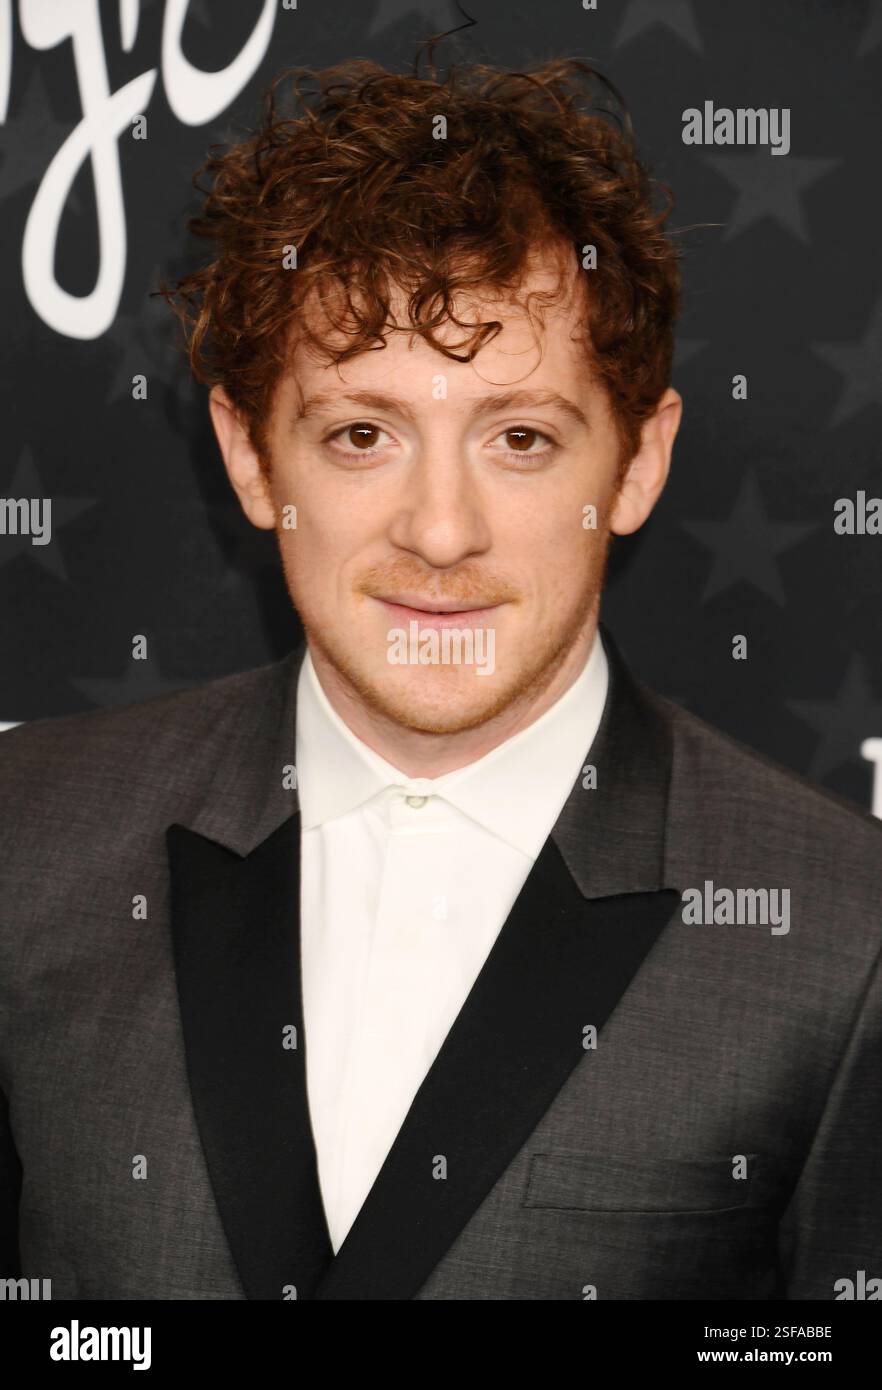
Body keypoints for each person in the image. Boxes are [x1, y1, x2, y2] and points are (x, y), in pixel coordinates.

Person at [1, 57, 880, 1302]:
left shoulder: (846, 937)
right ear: (251, 457)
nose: (442, 530)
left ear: (638, 464)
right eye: (363, 434)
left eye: (520, 438)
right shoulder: (22, 836)